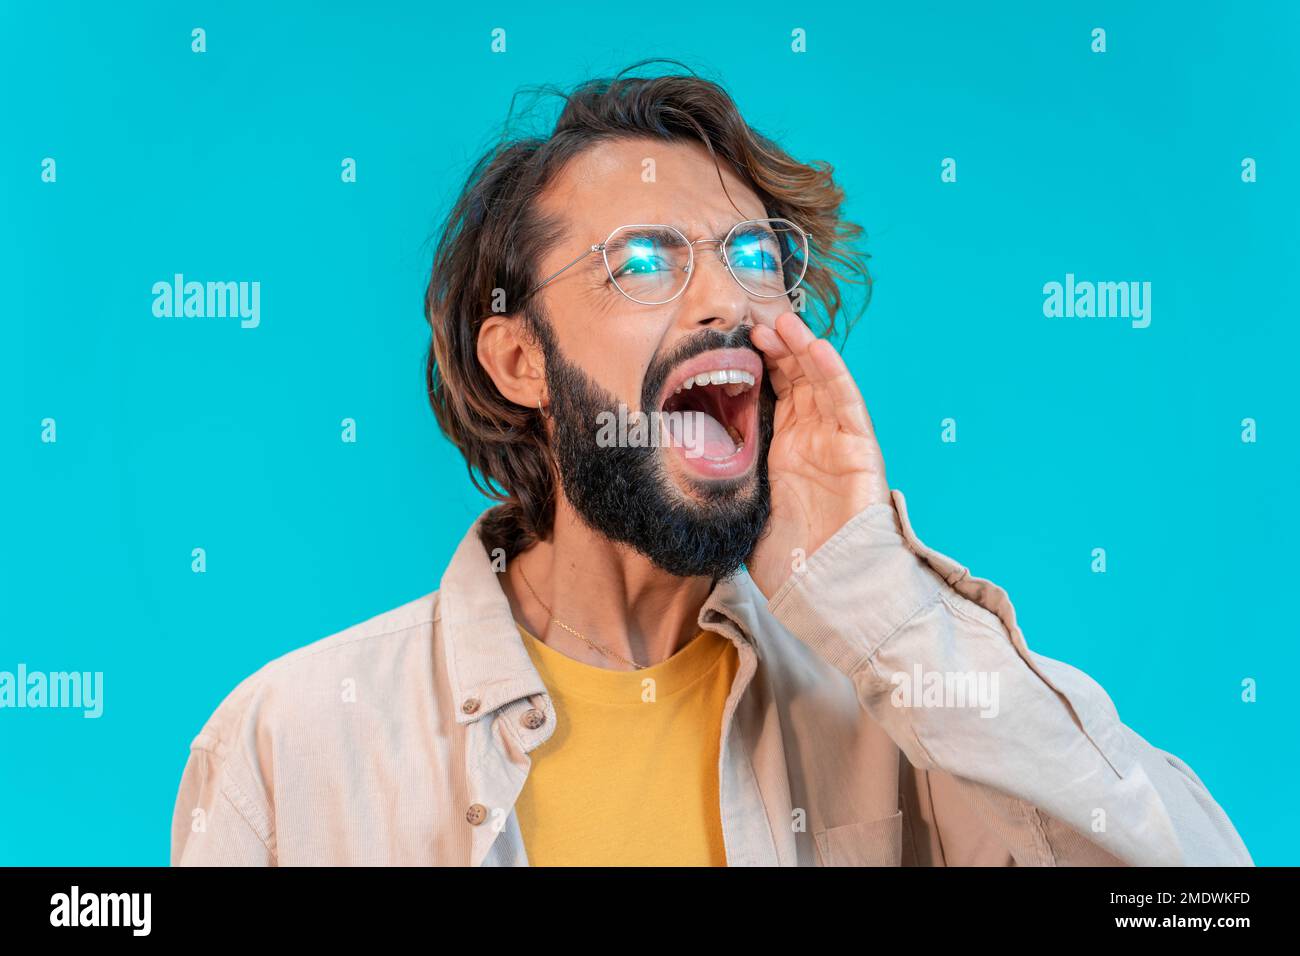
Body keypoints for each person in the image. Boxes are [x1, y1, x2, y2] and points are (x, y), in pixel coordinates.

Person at [170, 64, 1252, 866]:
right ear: (518, 360)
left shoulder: (903, 705)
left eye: (754, 256)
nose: (727, 301)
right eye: (641, 261)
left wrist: (875, 588)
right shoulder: (289, 741)